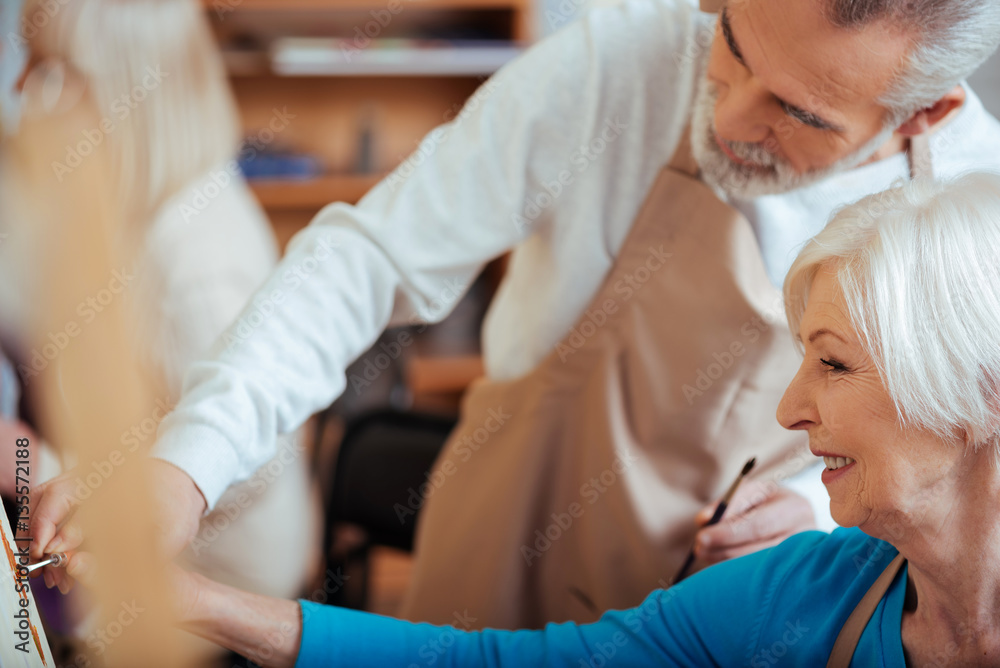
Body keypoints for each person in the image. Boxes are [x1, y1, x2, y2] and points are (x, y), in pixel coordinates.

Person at [31, 0, 1000, 630]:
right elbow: (368, 258)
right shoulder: (625, 58)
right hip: (517, 518)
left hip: (752, 601)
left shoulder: (971, 202)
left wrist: (821, 534)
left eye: (798, 113)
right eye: (732, 42)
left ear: (927, 116)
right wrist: (186, 463)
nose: (730, 114)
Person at [160, 171, 1000, 667]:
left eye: (834, 363)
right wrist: (191, 600)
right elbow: (501, 662)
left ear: (978, 391)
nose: (789, 409)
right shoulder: (808, 594)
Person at [13, 0, 318, 606]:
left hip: (219, 585)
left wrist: (30, 459)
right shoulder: (138, 205)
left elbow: (235, 468)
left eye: (48, 72)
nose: (24, 91)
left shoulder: (199, 264)